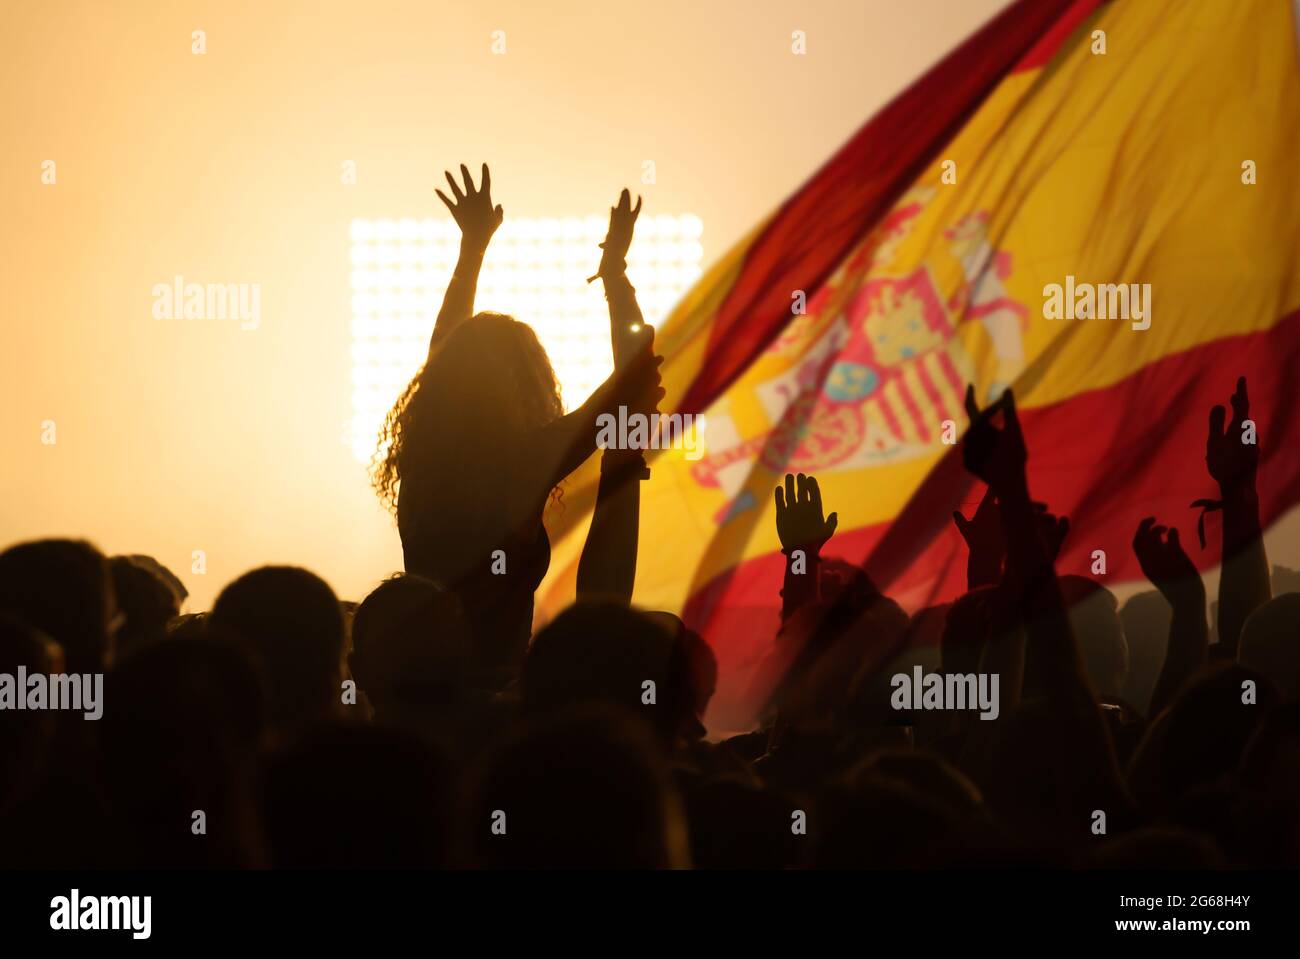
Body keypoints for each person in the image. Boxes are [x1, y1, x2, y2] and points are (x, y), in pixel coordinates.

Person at [373, 165, 663, 688]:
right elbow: (634, 379)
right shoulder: (523, 464)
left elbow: (444, 351)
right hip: (490, 692)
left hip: (418, 685)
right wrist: (615, 275)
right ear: (531, 386)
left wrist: (472, 251)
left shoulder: (423, 464)